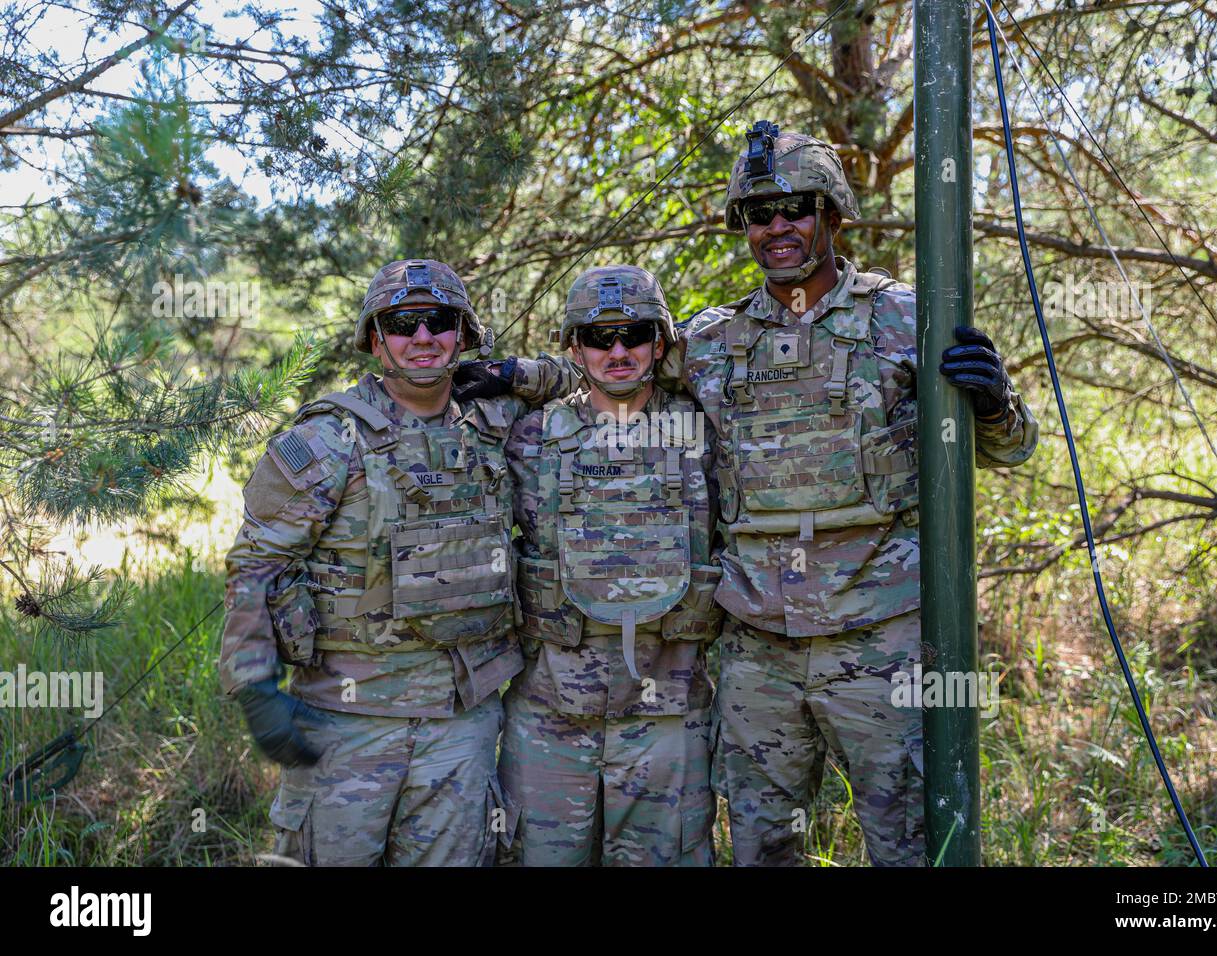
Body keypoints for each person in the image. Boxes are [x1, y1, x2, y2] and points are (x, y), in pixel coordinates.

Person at [457, 121, 1039, 866]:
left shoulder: (904, 319)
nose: (778, 228)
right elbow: (613, 366)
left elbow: (1008, 451)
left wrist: (994, 405)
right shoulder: (713, 340)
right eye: (759, 215)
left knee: (909, 840)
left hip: (880, 638)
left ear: (832, 212)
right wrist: (514, 377)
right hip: (758, 646)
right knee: (764, 844)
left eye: (795, 208)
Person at [220, 258, 572, 866]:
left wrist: (513, 372)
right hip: (347, 721)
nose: (422, 337)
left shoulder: (494, 419)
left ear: (463, 334)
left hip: (460, 721)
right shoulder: (332, 438)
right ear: (377, 341)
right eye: (402, 324)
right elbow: (255, 565)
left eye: (439, 321)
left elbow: (594, 375)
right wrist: (255, 688)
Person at [497, 265, 722, 866]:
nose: (618, 351)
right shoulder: (530, 439)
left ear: (661, 341)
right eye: (599, 338)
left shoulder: (703, 433)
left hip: (667, 712)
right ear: (575, 347)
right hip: (550, 712)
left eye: (636, 334)